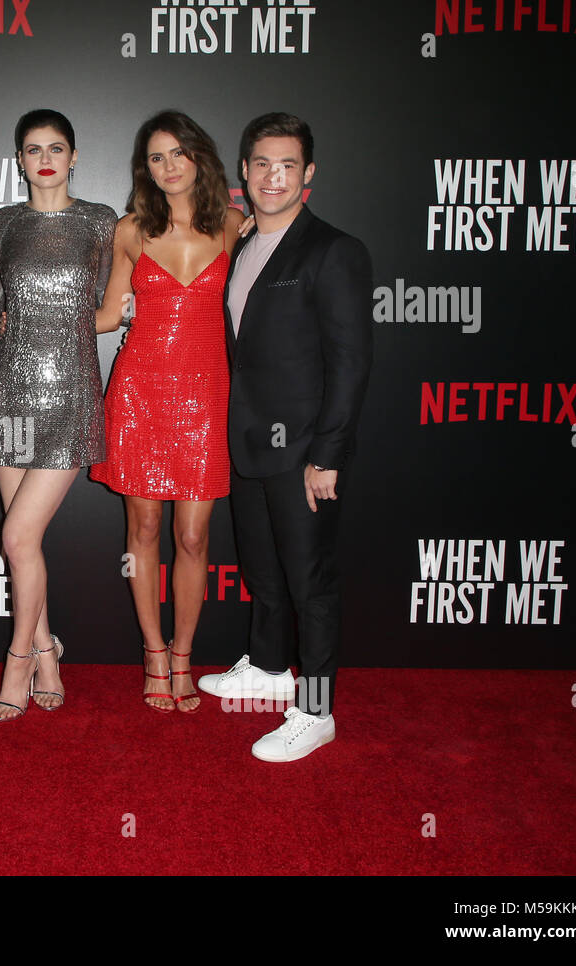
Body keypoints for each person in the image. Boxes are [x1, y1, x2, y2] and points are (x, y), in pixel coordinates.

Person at [197, 112, 373, 762]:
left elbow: (351, 362)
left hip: (304, 454)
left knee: (311, 583)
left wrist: (327, 455)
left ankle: (317, 708)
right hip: (251, 445)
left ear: (309, 175)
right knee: (265, 573)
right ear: (244, 172)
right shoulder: (244, 243)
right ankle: (270, 670)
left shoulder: (333, 250)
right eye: (262, 164)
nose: (274, 177)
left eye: (288, 166)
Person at [91, 111, 245, 715]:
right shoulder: (130, 230)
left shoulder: (235, 225)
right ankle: (154, 652)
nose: (169, 165)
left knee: (193, 533)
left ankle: (186, 652)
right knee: (146, 531)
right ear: (145, 170)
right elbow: (107, 316)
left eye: (179, 152)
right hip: (139, 392)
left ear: (200, 158)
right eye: (157, 157)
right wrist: (34, 318)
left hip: (207, 396)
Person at [0, 109, 116, 721]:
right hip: (7, 391)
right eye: (33, 149)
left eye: (57, 147)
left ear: (75, 155)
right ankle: (48, 653)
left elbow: (110, 306)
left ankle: (17, 662)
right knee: (22, 544)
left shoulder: (100, 223)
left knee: (17, 536)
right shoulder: (2, 223)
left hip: (72, 396)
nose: (46, 159)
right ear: (20, 160)